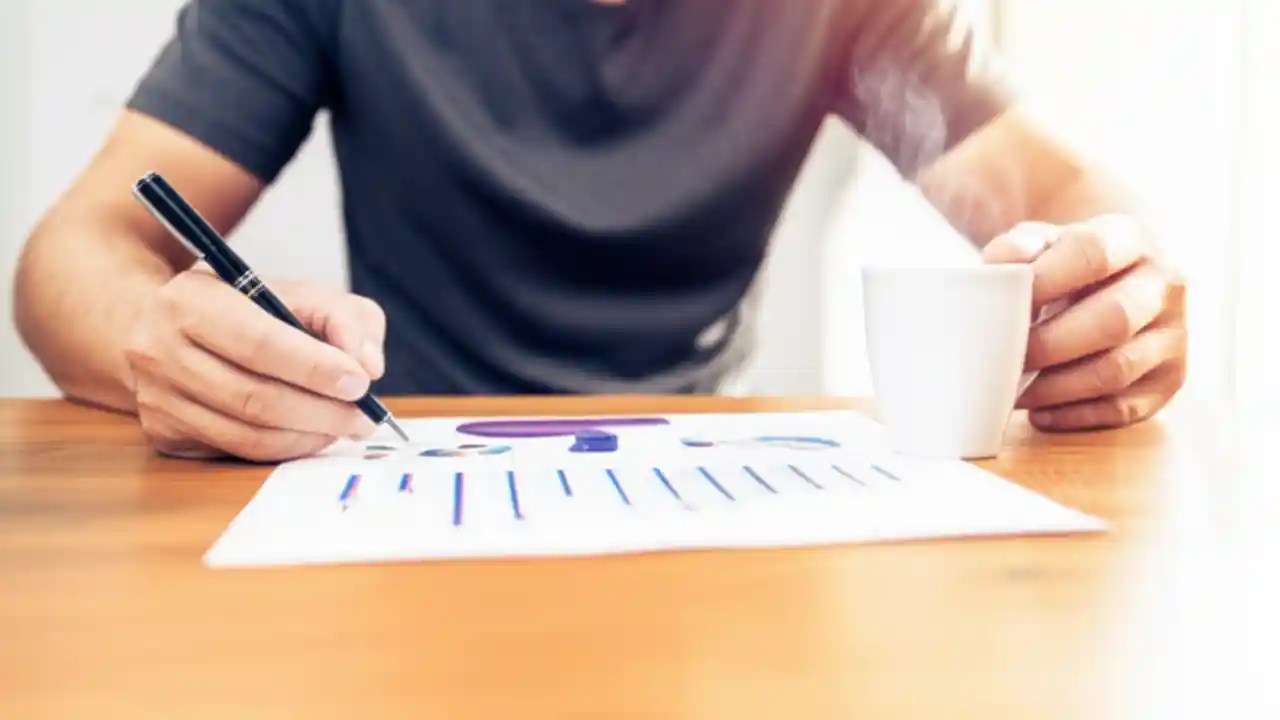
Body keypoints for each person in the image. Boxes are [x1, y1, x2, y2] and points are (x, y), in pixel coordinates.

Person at [13, 0, 1186, 461]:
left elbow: (1069, 205)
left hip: (696, 491)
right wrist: (158, 344)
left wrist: (1120, 284)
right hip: (388, 466)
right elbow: (76, 255)